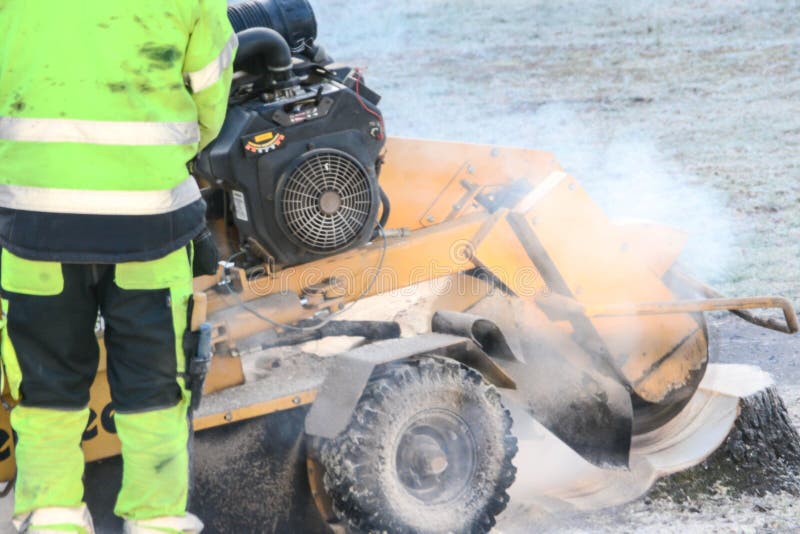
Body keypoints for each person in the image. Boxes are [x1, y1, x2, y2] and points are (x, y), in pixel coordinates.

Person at [0, 1, 236, 532]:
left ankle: (53, 515)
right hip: (149, 223)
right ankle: (155, 519)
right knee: (154, 385)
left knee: (44, 384)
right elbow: (211, 88)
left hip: (35, 226)